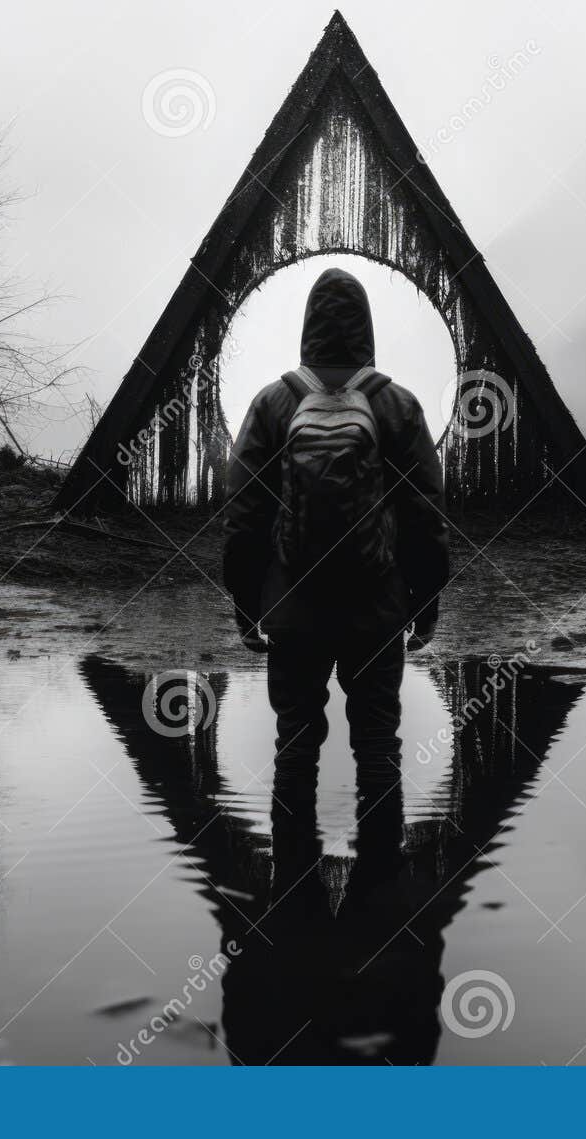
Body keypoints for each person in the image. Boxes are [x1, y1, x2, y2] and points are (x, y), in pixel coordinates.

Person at [222, 267, 449, 779]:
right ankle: (380, 855)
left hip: (292, 610)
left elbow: (244, 516)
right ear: (366, 331)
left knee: (295, 746)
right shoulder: (397, 406)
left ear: (308, 327)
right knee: (377, 745)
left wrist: (245, 605)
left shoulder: (272, 405)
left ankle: (295, 855)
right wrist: (425, 603)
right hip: (377, 611)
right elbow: (425, 516)